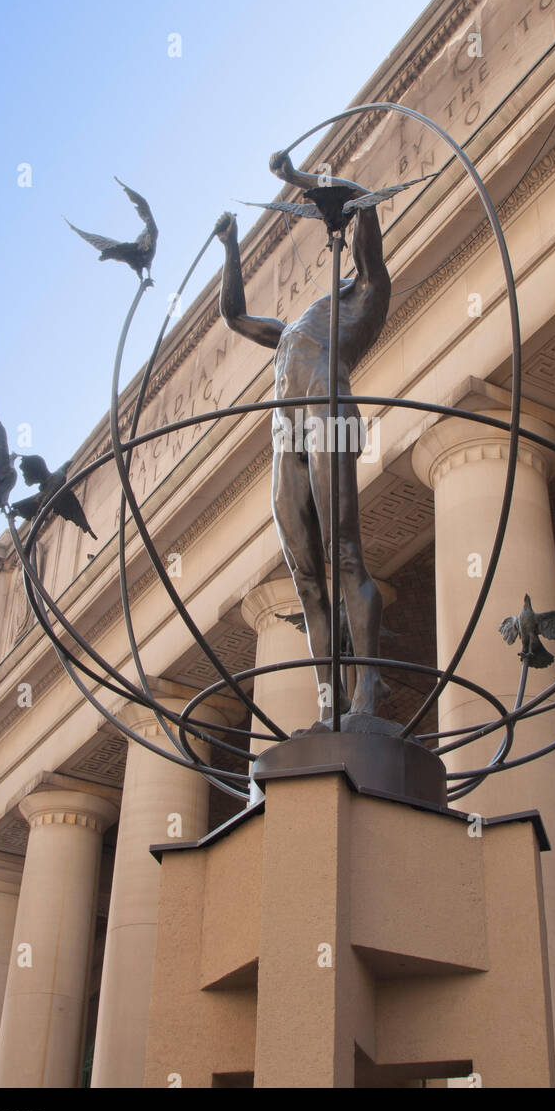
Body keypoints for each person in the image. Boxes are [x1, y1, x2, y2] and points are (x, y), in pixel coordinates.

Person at [215, 149, 391, 721]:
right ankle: (328, 704)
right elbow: (236, 317)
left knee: (343, 554)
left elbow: (362, 203)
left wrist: (300, 181)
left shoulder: (367, 296)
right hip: (284, 434)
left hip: (328, 417)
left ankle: (366, 690)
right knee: (306, 577)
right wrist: (230, 246)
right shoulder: (295, 327)